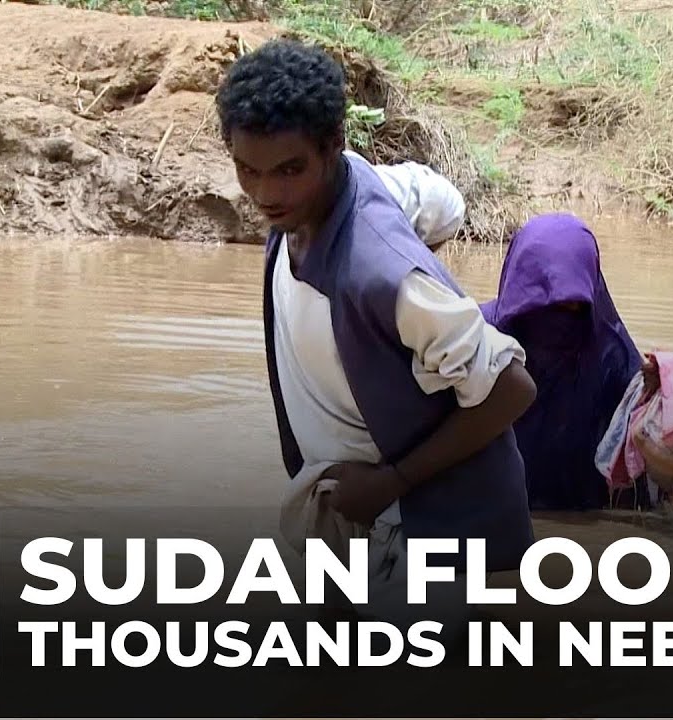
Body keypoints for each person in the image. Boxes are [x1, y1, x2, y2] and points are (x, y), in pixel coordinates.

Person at [215, 40, 537, 590]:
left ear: (333, 146)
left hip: (430, 529)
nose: (266, 193)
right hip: (363, 510)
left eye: (289, 169)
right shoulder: (320, 201)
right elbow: (439, 204)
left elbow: (512, 388)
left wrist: (392, 480)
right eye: (248, 170)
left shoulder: (383, 275)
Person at [480, 213, 659, 511]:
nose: (556, 321)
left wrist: (655, 395)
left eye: (572, 306)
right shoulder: (476, 336)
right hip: (491, 505)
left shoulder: (612, 356)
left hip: (581, 509)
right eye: (540, 306)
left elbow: (651, 456)